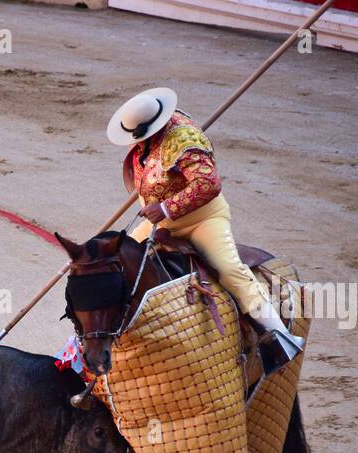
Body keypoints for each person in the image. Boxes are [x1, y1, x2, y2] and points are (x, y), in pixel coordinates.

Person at [108, 87, 304, 371]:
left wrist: (164, 208)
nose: (137, 142)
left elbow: (208, 184)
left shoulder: (184, 140)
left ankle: (279, 337)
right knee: (116, 262)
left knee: (229, 269)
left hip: (201, 219)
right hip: (160, 222)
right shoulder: (145, 140)